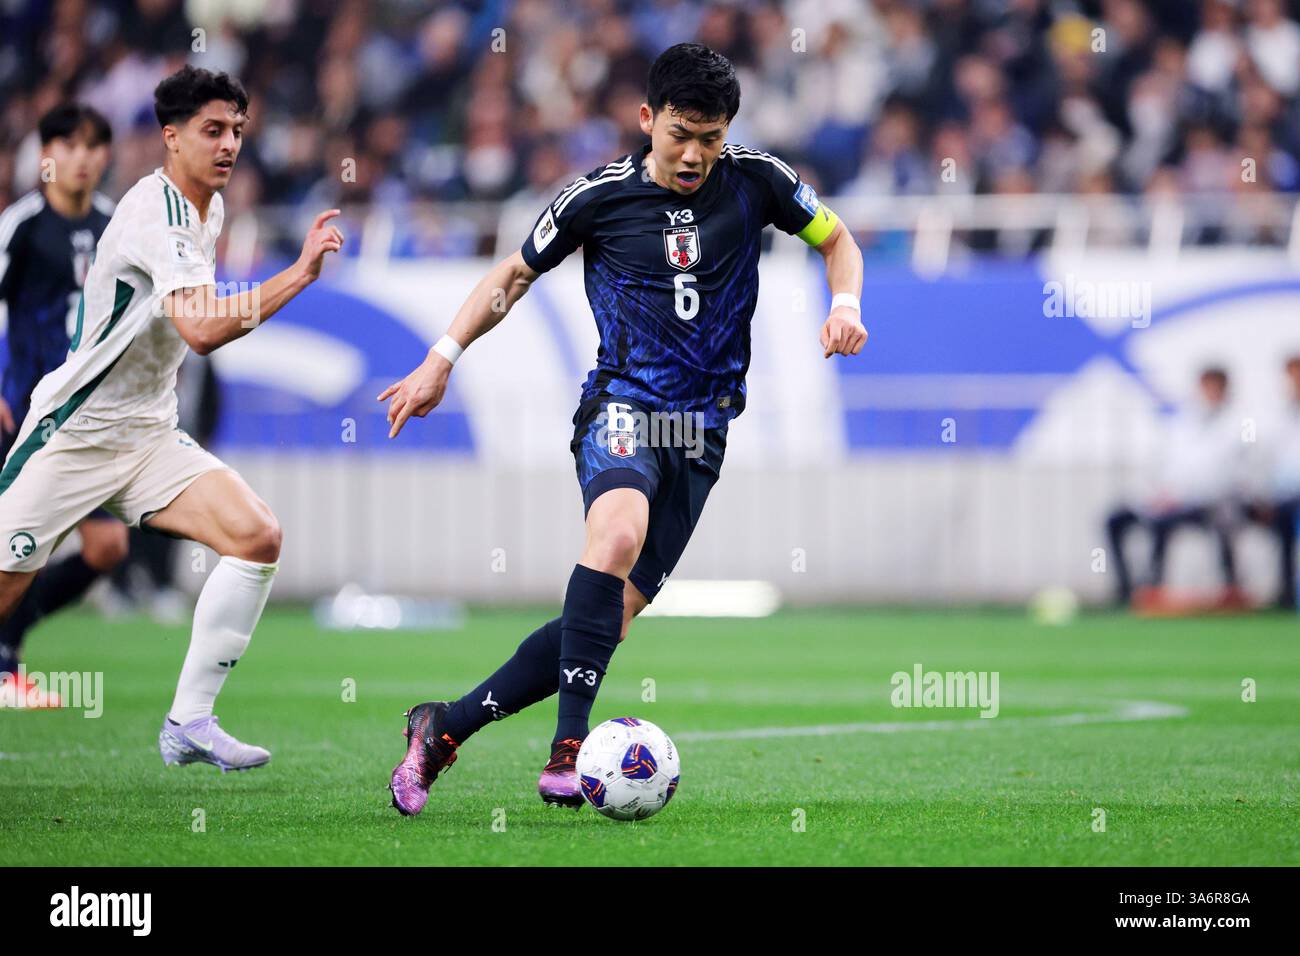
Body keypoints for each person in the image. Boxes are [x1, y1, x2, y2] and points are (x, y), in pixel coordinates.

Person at [380, 43, 867, 815]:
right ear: (647, 120)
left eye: (711, 138)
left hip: (701, 435)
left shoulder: (759, 181)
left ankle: (443, 727)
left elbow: (837, 240)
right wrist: (442, 357)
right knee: (613, 539)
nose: (695, 154)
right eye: (681, 134)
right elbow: (511, 275)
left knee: (610, 620)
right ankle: (567, 752)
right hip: (622, 408)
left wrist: (845, 305)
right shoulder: (596, 197)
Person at [0, 66, 343, 769]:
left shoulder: (207, 207)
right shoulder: (155, 212)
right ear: (171, 137)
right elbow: (201, 329)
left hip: (147, 434)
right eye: (212, 131)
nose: (228, 146)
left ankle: (190, 719)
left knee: (256, 535)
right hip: (74, 432)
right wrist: (298, 275)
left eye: (237, 133)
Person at [0, 104, 128, 708]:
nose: (83, 157)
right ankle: (5, 666)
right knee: (20, 545)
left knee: (107, 548)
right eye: (69, 144)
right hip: (21, 414)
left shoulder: (116, 226)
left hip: (88, 420)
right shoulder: (21, 226)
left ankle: (10, 640)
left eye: (94, 145)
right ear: (46, 153)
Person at [1105, 367, 1246, 607]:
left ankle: (1154, 585)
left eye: (1214, 388)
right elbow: (1160, 465)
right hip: (1168, 499)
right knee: (1114, 519)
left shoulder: (1240, 425)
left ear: (1224, 390)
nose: (1208, 393)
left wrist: (1182, 495)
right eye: (1205, 387)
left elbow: (1228, 475)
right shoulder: (1182, 423)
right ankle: (1126, 591)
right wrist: (1156, 494)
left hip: (1209, 504)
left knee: (1164, 523)